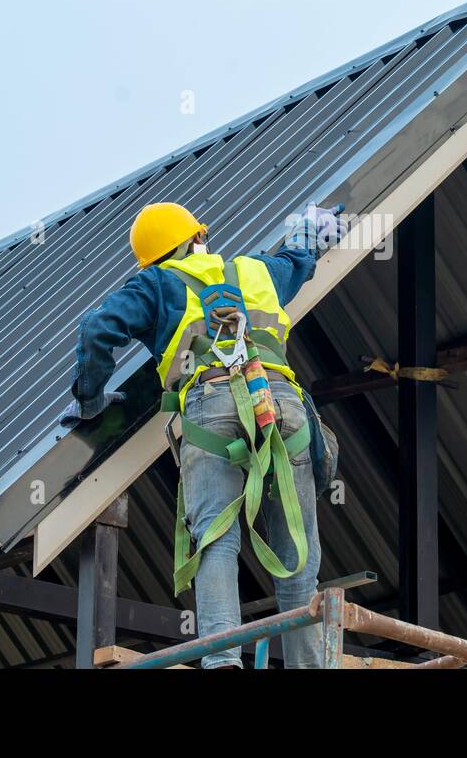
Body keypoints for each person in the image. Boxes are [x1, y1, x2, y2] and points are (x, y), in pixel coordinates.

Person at [63, 200, 344, 668]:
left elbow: (96, 328)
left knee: (217, 538)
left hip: (211, 409)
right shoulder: (254, 270)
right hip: (282, 408)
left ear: (156, 257)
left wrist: (90, 400)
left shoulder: (156, 283)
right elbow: (298, 258)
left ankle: (222, 662)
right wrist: (314, 228)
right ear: (198, 239)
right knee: (297, 558)